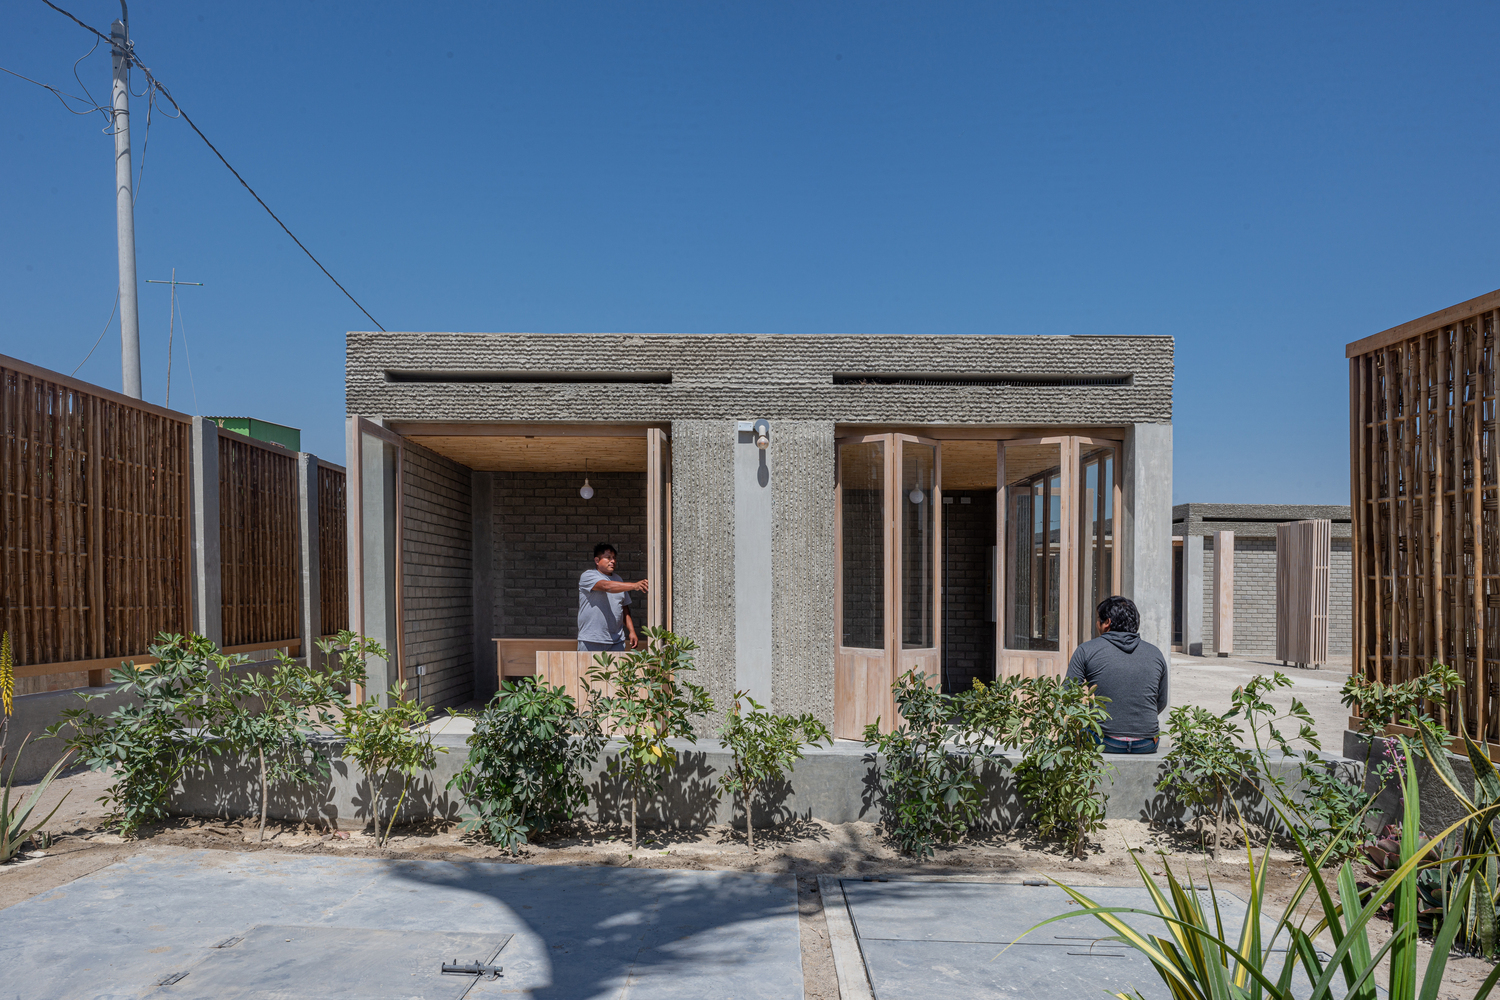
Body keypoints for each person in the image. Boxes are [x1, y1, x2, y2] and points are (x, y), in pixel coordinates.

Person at [1064, 595, 1169, 753]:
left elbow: (1068, 695)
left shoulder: (1086, 650)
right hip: (1147, 742)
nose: (1097, 624)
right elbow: (1160, 702)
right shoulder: (1155, 653)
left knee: (1067, 737)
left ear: (1107, 623)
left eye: (1099, 620)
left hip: (1104, 740)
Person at [577, 542, 649, 652]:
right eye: (608, 558)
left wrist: (632, 631)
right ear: (597, 561)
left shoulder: (618, 580)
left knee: (617, 670)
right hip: (591, 640)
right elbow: (606, 586)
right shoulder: (588, 575)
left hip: (617, 642)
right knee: (589, 670)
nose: (613, 561)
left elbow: (624, 608)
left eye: (614, 558)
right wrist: (634, 586)